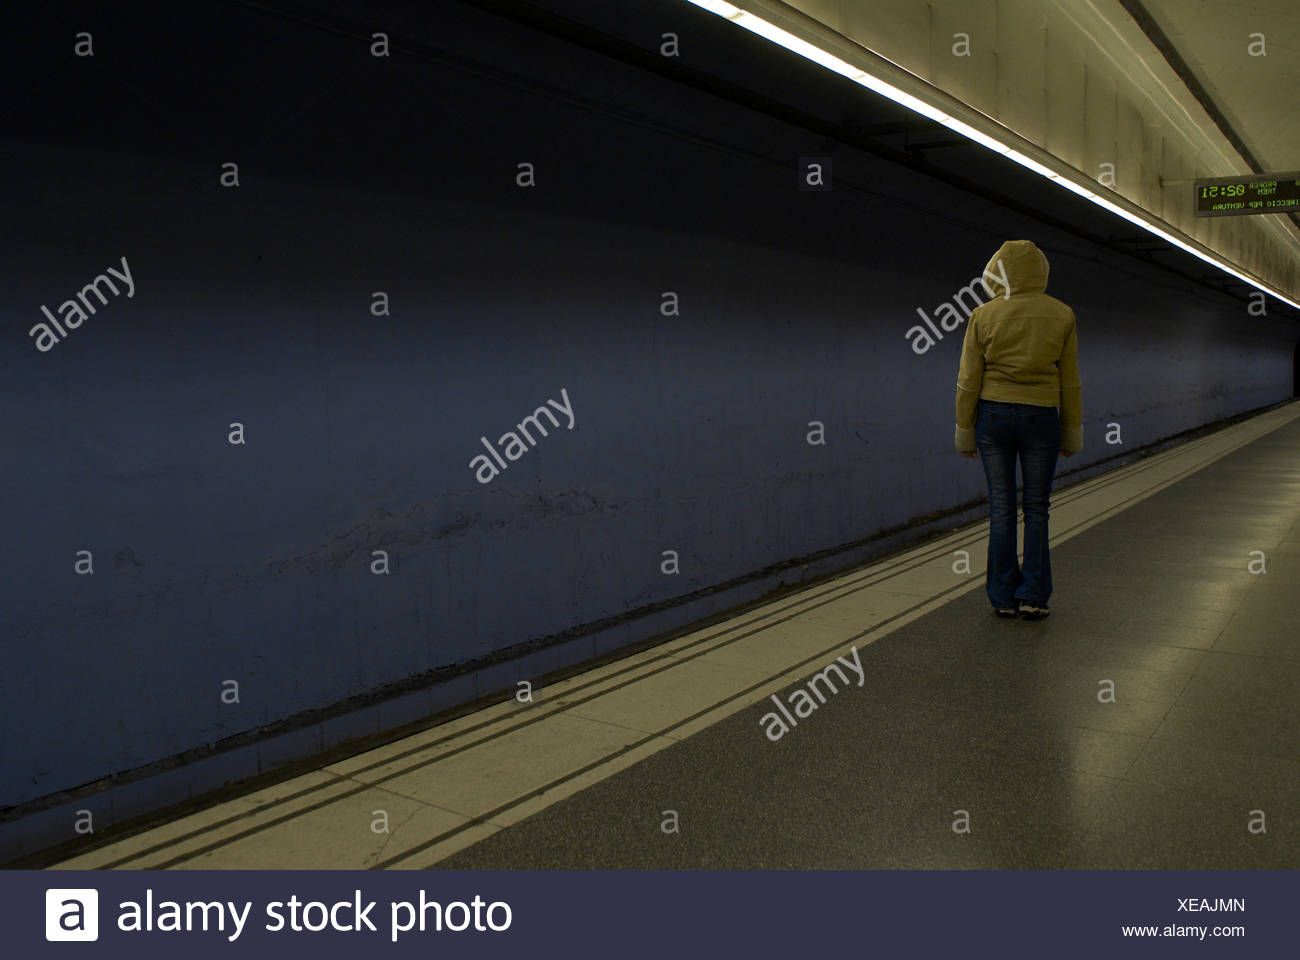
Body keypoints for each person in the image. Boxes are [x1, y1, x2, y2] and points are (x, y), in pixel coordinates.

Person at [953, 239, 1082, 620]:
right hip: (1041, 418)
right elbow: (1070, 380)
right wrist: (1070, 429)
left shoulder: (982, 315)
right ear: (1041, 272)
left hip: (992, 418)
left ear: (997, 271)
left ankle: (1003, 597)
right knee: (1038, 508)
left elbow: (968, 379)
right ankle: (1034, 595)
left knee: (1001, 508)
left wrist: (965, 428)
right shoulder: (1062, 315)